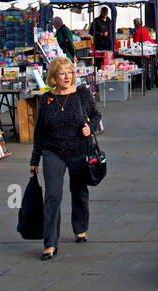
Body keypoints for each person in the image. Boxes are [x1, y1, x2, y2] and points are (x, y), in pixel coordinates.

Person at [29, 57, 103, 260]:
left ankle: (80, 228)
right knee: (52, 195)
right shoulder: (46, 99)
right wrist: (35, 160)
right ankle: (50, 242)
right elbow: (40, 133)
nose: (67, 77)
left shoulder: (82, 94)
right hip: (53, 152)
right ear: (53, 77)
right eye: (62, 73)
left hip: (79, 149)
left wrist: (91, 127)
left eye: (70, 72)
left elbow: (96, 115)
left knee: (79, 191)